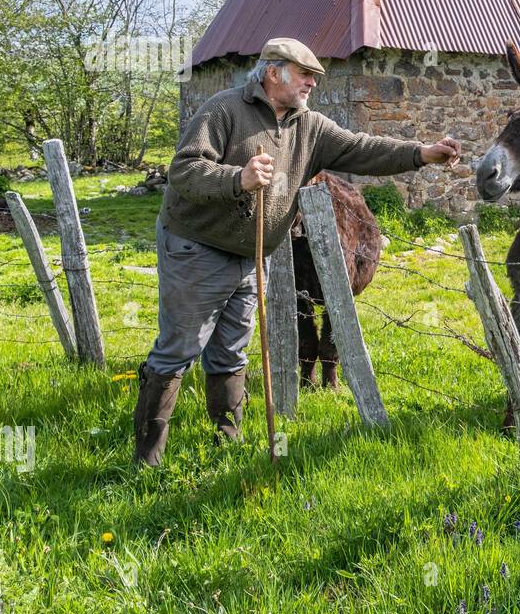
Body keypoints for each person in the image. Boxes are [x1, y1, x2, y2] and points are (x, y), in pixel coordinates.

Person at [132, 37, 460, 465]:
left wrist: (421, 153)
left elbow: (363, 148)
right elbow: (185, 169)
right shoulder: (223, 110)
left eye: (315, 77)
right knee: (181, 346)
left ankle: (226, 444)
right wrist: (238, 178)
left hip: (251, 254)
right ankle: (146, 458)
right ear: (273, 72)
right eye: (305, 74)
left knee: (232, 348)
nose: (312, 83)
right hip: (198, 246)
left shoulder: (310, 126)